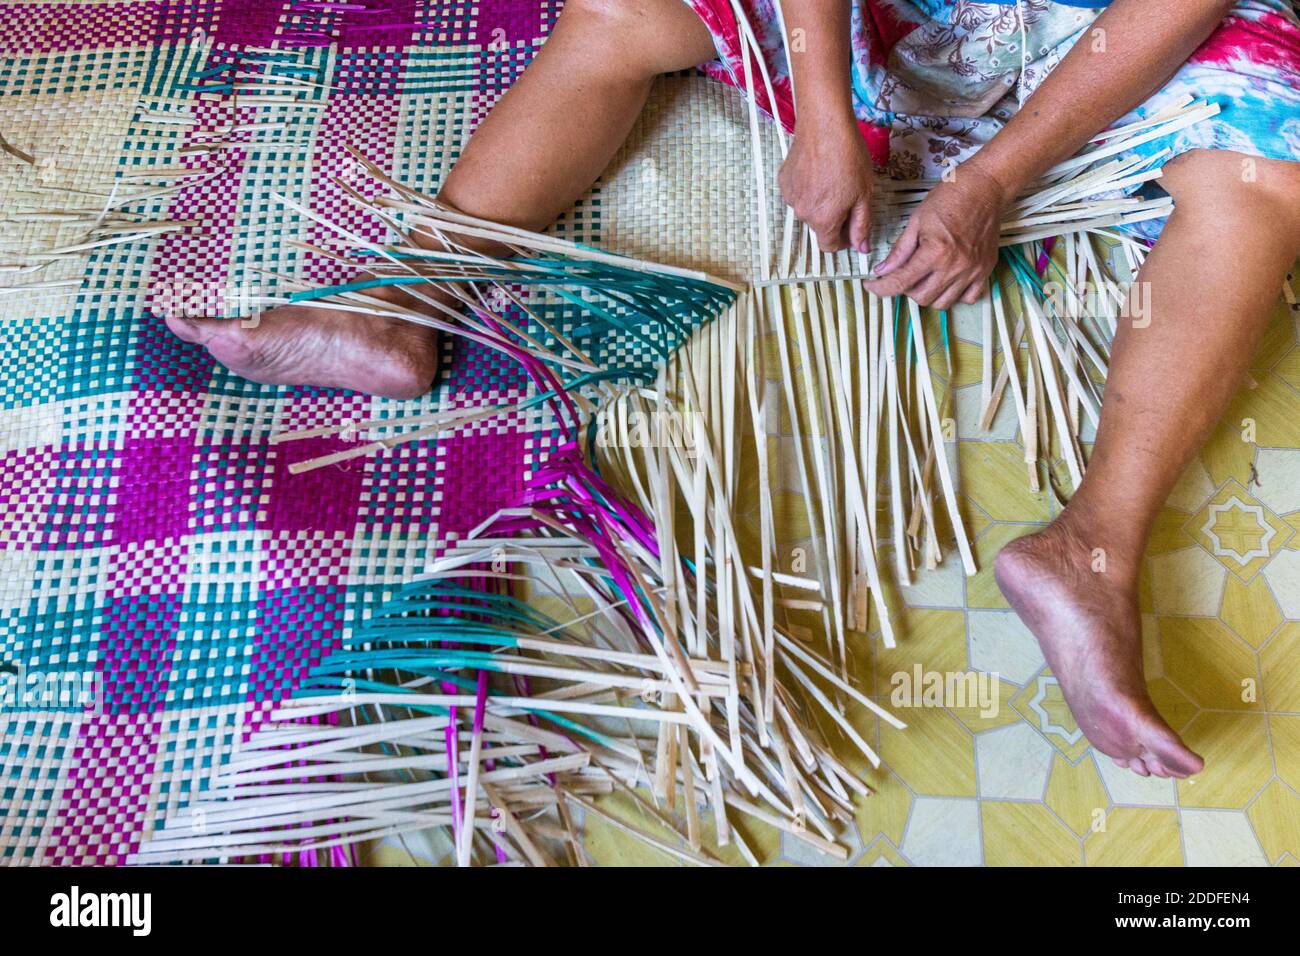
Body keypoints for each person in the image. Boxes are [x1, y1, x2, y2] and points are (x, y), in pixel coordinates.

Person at [166, 0, 1300, 778]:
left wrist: (990, 181)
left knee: (1266, 175)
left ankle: (1089, 548)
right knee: (620, 14)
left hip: (1095, 37)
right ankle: (398, 304)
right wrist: (820, 110)